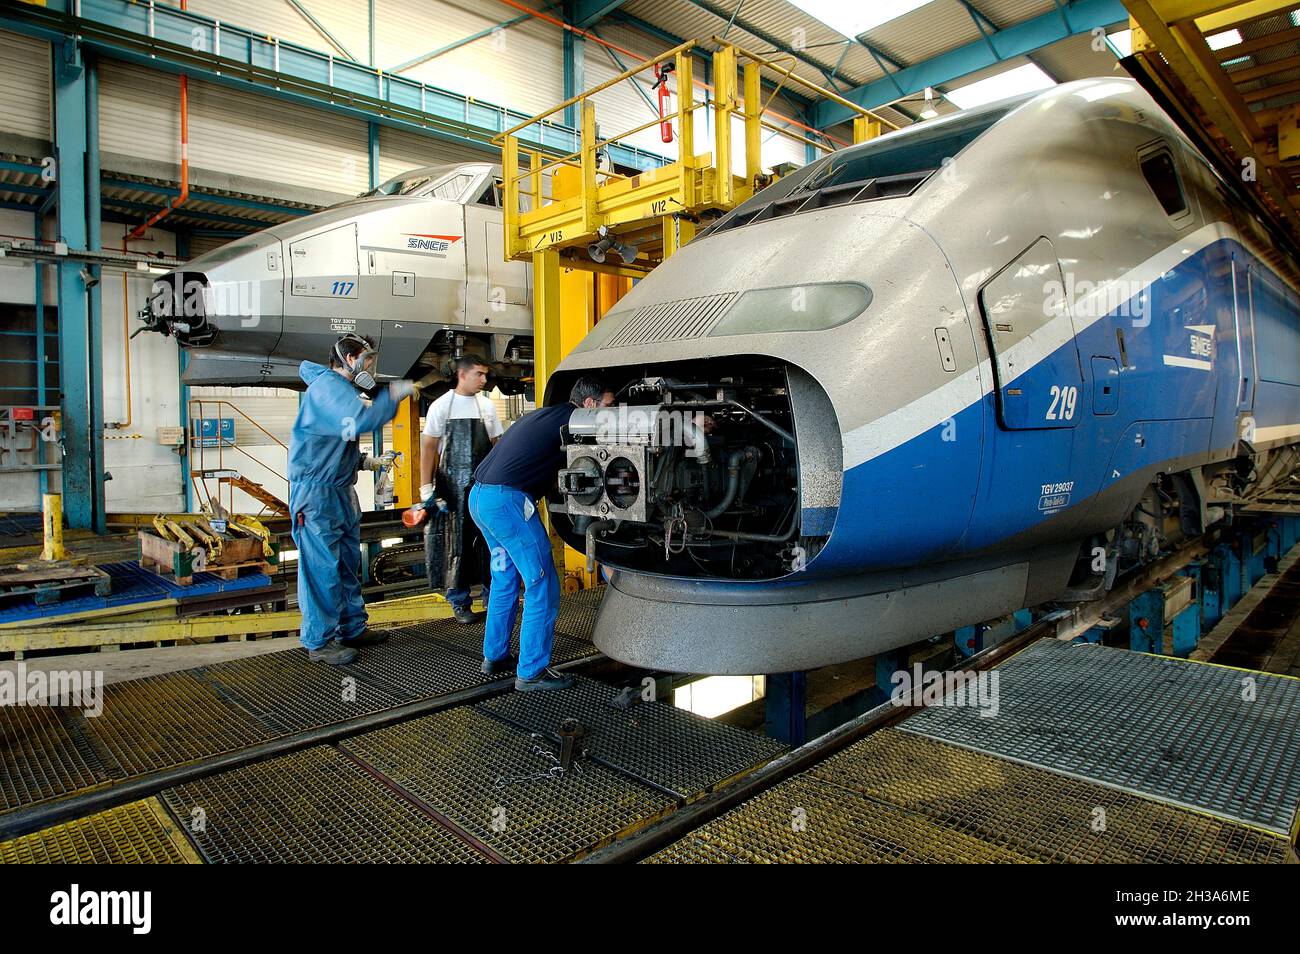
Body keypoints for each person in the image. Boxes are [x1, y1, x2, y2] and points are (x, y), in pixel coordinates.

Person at [469, 377, 614, 691]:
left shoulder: (546, 415)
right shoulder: (572, 420)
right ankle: (531, 672)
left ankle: (494, 656)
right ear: (589, 406)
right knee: (541, 583)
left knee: (505, 577)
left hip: (480, 499)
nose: (610, 413)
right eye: (608, 407)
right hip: (507, 505)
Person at [289, 333, 417, 665]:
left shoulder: (339, 391)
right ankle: (319, 640)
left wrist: (363, 462)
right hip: (317, 495)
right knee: (321, 567)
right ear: (351, 359)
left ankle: (352, 627)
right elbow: (359, 421)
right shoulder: (328, 388)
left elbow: (334, 440)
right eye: (369, 361)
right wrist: (392, 395)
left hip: (340, 490)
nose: (371, 369)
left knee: (346, 563)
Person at [419, 356, 503, 624]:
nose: (484, 380)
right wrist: (425, 487)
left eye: (485, 375)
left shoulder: (486, 407)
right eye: (479, 374)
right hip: (452, 489)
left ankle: (493, 597)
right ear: (462, 375)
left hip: (483, 485)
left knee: (490, 544)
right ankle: (459, 601)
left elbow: (498, 446)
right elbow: (429, 448)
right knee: (457, 544)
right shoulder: (440, 407)